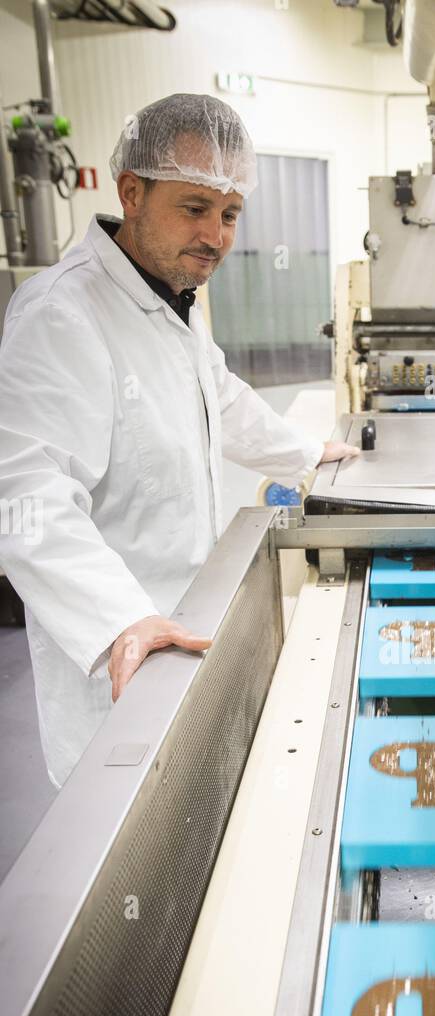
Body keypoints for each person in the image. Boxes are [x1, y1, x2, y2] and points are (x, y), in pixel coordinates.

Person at [0, 93, 358, 787]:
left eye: (230, 214)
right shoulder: (60, 314)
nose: (216, 236)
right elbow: (25, 496)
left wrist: (308, 455)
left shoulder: (169, 296)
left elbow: (217, 395)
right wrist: (120, 621)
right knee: (127, 827)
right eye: (195, 208)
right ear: (131, 193)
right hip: (118, 657)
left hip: (186, 622)